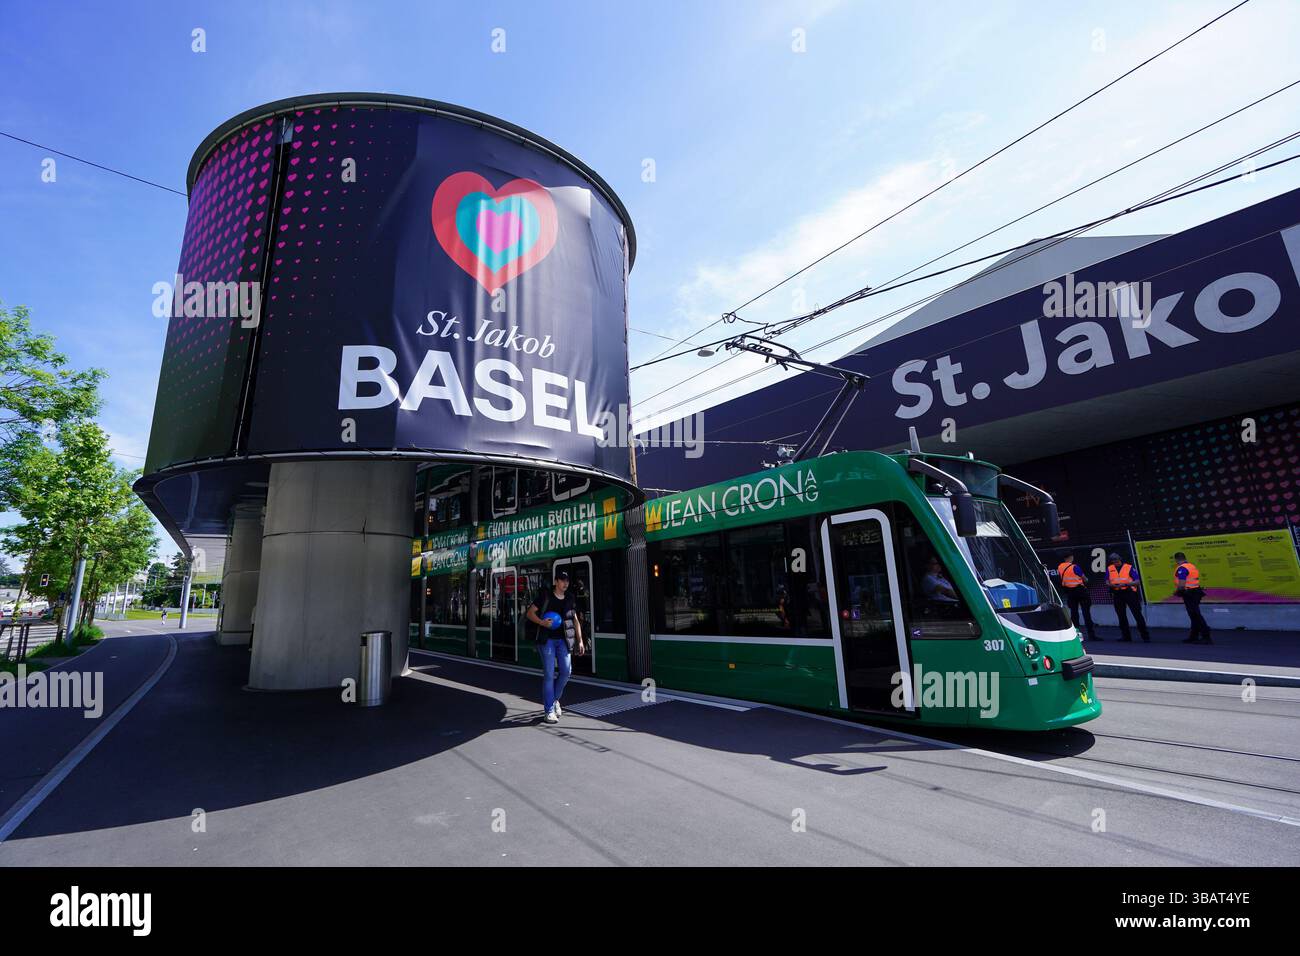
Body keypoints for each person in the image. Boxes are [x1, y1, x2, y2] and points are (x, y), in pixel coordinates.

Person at [525, 570, 586, 723]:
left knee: (566, 671)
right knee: (549, 674)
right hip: (547, 641)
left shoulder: (570, 598)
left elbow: (575, 620)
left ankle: (554, 700)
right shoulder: (545, 597)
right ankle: (549, 711)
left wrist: (580, 641)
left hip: (563, 641)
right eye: (562, 580)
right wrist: (542, 622)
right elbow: (529, 613)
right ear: (555, 582)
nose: (566, 583)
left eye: (567, 581)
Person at [1106, 552, 1150, 643]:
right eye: (1113, 561)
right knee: (1121, 616)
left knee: (1137, 614)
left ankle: (1145, 636)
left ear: (1120, 559)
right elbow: (1107, 581)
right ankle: (1126, 636)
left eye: (1117, 560)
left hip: (1129, 592)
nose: (1115, 562)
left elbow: (1137, 581)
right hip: (1117, 593)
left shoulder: (1129, 567)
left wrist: (1126, 584)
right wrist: (1112, 585)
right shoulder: (1110, 569)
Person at [1056, 551, 1098, 641]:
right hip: (1080, 591)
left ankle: (1075, 634)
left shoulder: (1060, 567)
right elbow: (1084, 578)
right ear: (1071, 557)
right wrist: (1086, 580)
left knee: (1074, 613)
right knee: (1086, 613)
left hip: (1070, 592)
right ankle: (1091, 634)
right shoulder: (1074, 567)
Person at [1173, 551, 1212, 644]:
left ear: (1177, 559)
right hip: (1196, 592)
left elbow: (1182, 584)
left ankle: (1206, 636)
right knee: (1194, 615)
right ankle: (1194, 636)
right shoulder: (1191, 566)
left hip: (1189, 593)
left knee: (1195, 615)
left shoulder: (1182, 568)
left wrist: (1177, 591)